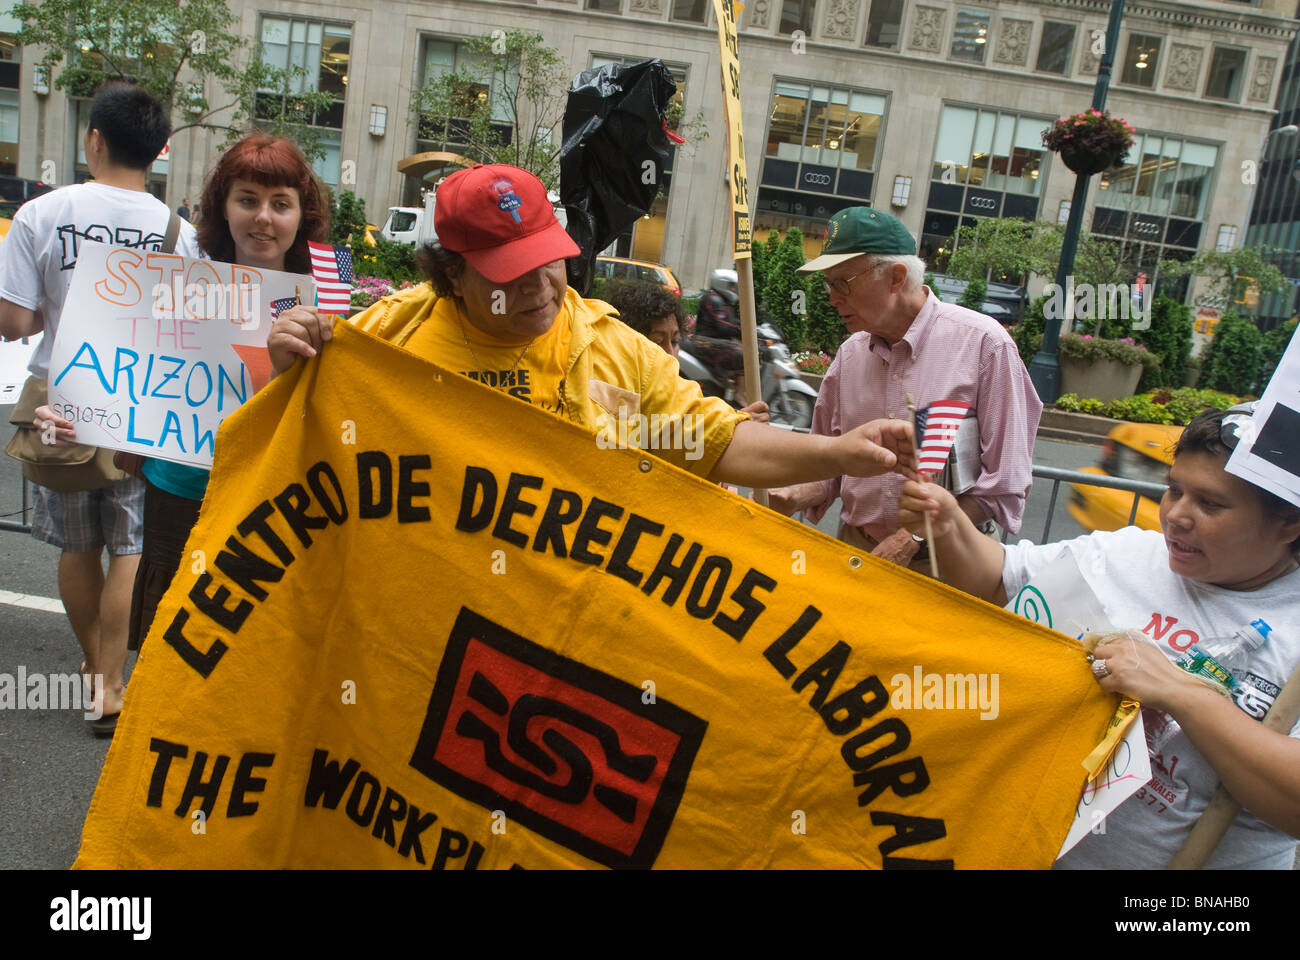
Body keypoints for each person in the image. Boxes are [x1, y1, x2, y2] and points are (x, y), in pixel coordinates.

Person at [268, 163, 914, 491]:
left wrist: (838, 452)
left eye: (546, 260)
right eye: (507, 272)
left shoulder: (613, 353)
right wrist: (289, 364)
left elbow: (716, 443)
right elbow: (290, 448)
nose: (539, 287)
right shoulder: (386, 338)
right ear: (451, 274)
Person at [899, 406, 1300, 869]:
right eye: (1174, 490)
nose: (1176, 516)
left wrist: (1181, 694)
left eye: (1210, 504)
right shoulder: (1125, 552)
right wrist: (948, 525)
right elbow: (998, 581)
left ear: (1289, 523)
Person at [0, 83, 201, 736]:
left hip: (62, 396)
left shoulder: (41, 213)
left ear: (94, 140)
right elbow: (188, 330)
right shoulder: (180, 233)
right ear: (160, 151)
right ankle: (112, 687)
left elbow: (15, 322)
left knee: (78, 544)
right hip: (143, 402)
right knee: (130, 545)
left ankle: (97, 677)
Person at [768, 207, 1042, 569]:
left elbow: (1005, 482)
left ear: (897, 277)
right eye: (828, 284)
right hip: (857, 552)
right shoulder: (850, 356)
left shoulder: (984, 345)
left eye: (842, 283)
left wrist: (913, 536)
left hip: (948, 562)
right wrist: (799, 491)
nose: (832, 298)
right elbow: (832, 459)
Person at [600, 277, 769, 423]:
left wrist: (738, 422)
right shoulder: (610, 400)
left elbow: (703, 420)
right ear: (626, 344)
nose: (670, 354)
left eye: (674, 341)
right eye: (658, 343)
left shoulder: (679, 392)